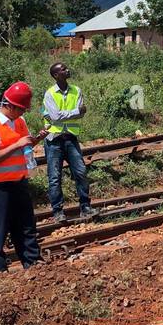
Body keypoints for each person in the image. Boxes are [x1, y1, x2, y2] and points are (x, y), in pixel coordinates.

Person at [0, 82, 43, 274]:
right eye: (21, 109)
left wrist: (34, 140)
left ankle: (32, 265)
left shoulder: (19, 122)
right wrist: (17, 145)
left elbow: (23, 146)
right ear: (10, 106)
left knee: (26, 227)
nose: (23, 113)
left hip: (18, 183)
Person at [43, 61, 94, 221]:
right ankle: (58, 211)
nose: (67, 70)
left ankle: (85, 207)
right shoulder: (49, 93)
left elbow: (81, 113)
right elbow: (55, 117)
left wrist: (70, 113)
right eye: (63, 69)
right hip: (54, 140)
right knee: (54, 177)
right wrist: (74, 112)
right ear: (56, 75)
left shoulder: (76, 90)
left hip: (71, 138)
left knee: (80, 172)